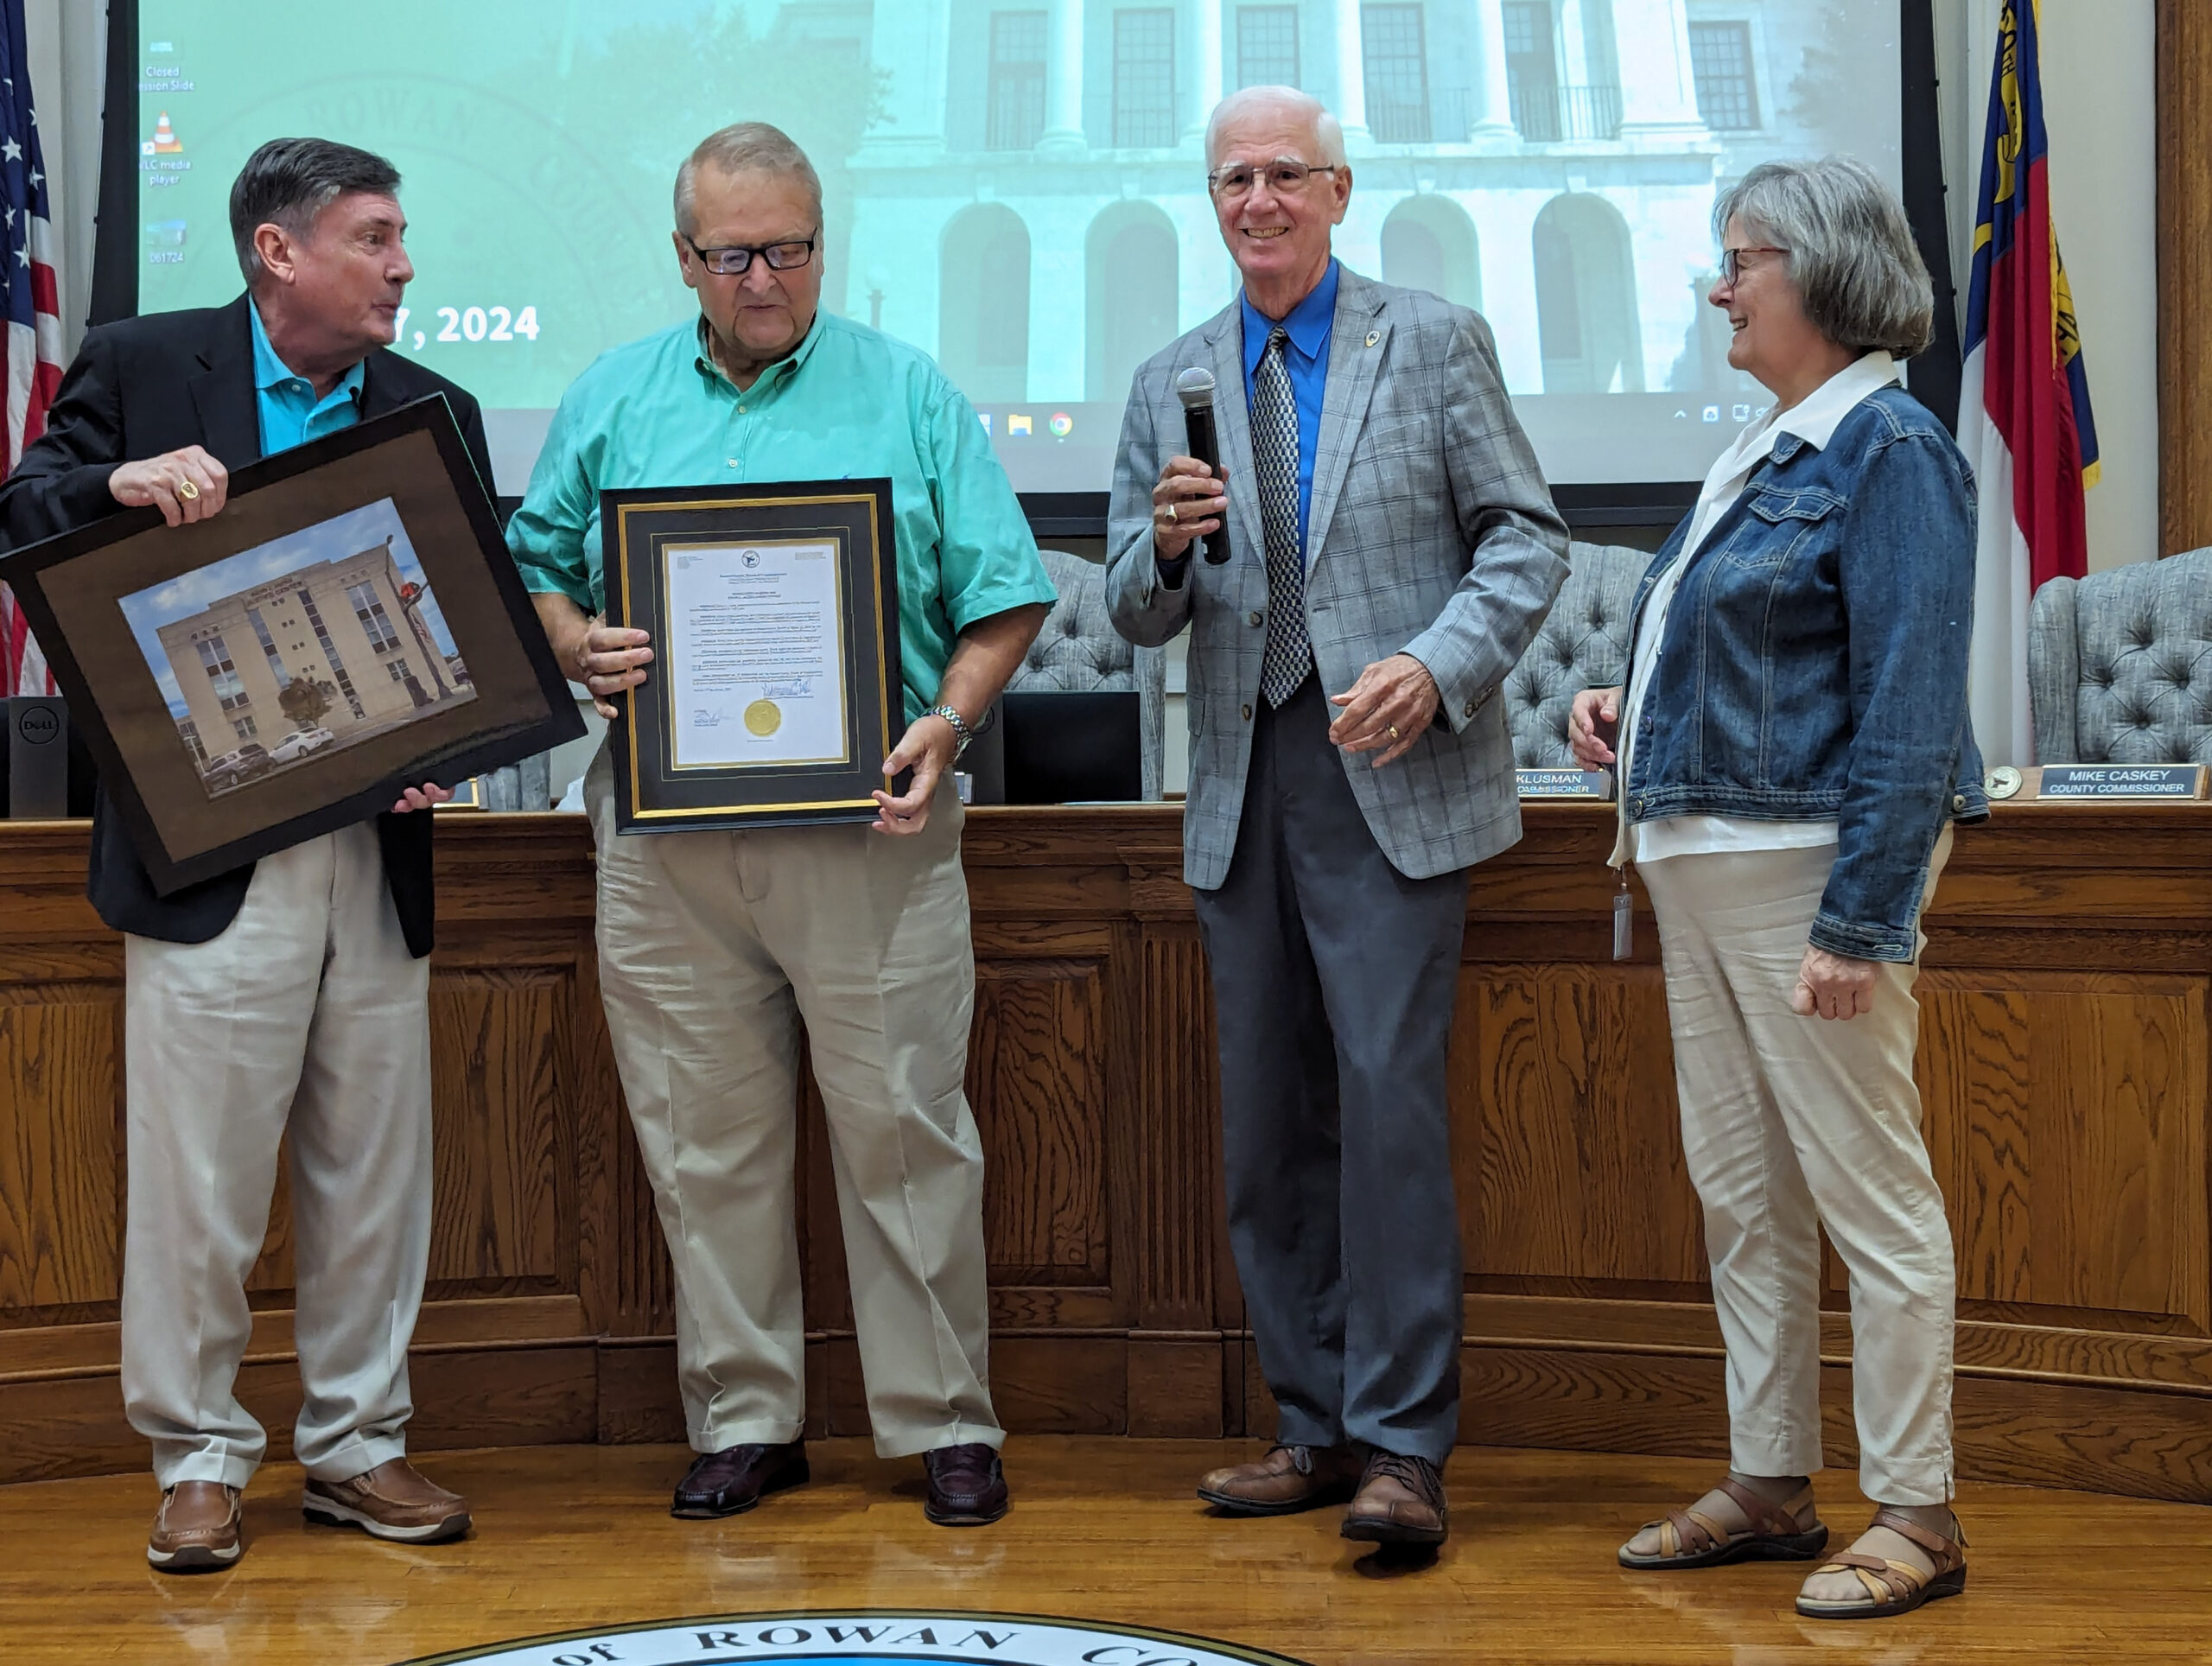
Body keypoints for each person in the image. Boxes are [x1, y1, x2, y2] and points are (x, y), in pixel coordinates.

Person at [506, 122, 1053, 1528]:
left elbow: (1003, 597)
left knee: (906, 1129)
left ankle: (943, 1422)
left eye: (792, 249)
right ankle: (747, 1417)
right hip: (667, 844)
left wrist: (949, 718)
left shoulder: (909, 393)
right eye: (735, 254)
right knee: (703, 1137)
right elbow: (537, 568)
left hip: (872, 828)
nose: (766, 279)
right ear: (683, 258)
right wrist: (577, 646)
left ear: (824, 238)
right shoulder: (614, 395)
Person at [0, 138, 490, 1572]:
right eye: (376, 237)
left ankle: (359, 1449)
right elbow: (22, 515)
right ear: (278, 252)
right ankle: (198, 1457)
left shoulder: (433, 407)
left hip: (375, 847)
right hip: (206, 854)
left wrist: (451, 736)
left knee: (372, 1176)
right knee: (200, 1181)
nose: (404, 264)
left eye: (403, 238)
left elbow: (461, 621)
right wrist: (120, 487)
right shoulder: (144, 367)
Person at [1106, 86, 1569, 1551]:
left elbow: (1527, 538)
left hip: (1395, 776)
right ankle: (1308, 1428)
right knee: (1267, 1130)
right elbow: (1127, 606)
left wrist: (1437, 667)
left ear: (1340, 189)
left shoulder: (1427, 340)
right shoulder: (1173, 376)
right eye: (1233, 178)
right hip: (1245, 789)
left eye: (1284, 174)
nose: (1257, 200)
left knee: (1386, 1112)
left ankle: (1405, 1447)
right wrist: (1165, 548)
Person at [1568, 156, 1982, 1620]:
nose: (1716, 287)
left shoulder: (1893, 452)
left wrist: (1862, 922)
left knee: (1871, 1197)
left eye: (1738, 259)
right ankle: (1769, 1480)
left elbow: (1915, 713)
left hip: (1807, 879)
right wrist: (1632, 713)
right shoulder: (1762, 447)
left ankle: (1917, 1511)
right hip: (1699, 868)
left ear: (1823, 274)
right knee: (1742, 1197)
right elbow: (1743, 651)